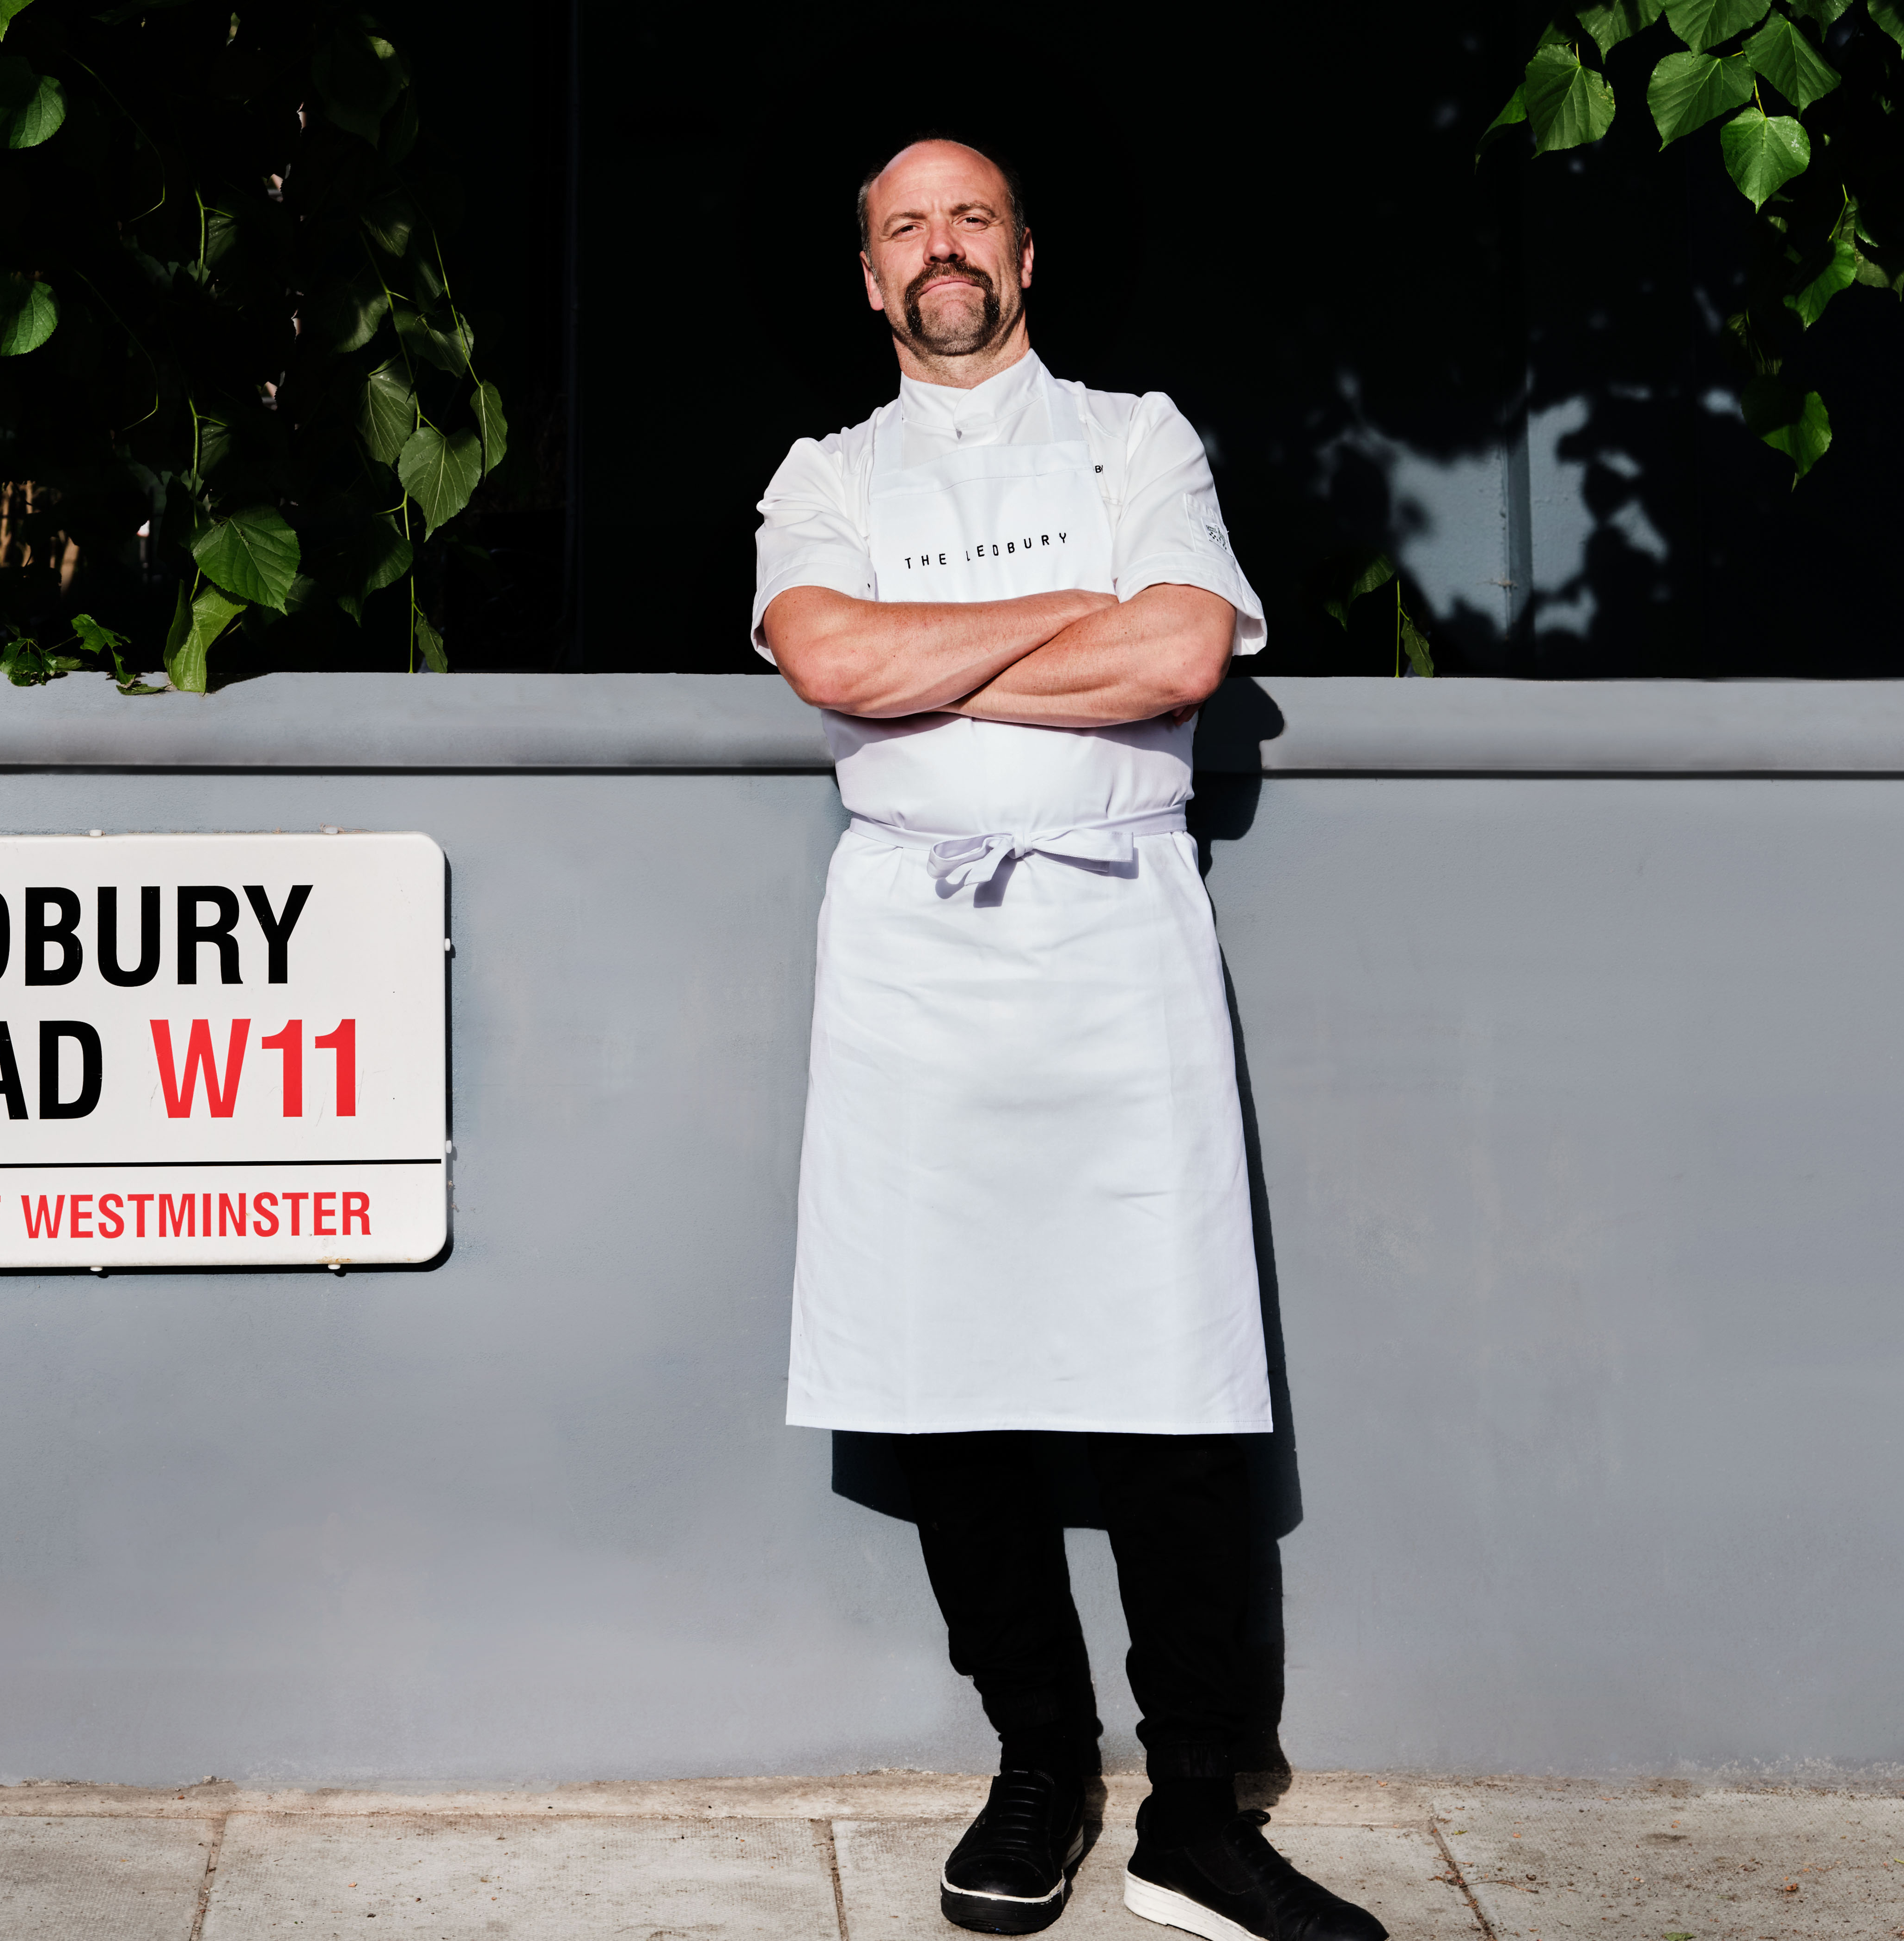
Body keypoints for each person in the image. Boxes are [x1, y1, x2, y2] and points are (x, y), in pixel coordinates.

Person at [752, 138, 1387, 1941]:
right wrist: (1064, 618)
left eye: (971, 216)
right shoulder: (822, 474)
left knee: (1172, 1393)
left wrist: (940, 656)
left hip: (1117, 948)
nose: (939, 246)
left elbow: (1179, 655)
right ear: (870, 279)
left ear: (1024, 255)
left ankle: (1198, 1816)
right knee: (948, 1391)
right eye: (903, 227)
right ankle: (1038, 1769)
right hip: (913, 970)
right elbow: (831, 664)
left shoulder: (1136, 440)